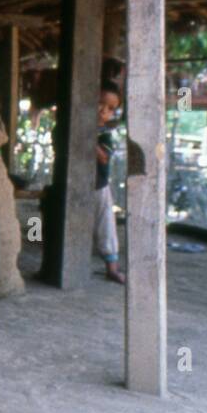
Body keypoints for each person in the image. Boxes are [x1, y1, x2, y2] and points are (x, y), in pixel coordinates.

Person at [94, 81, 125, 285]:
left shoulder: (105, 134)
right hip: (74, 187)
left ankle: (112, 268)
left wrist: (87, 138)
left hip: (98, 186)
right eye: (100, 104)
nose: (104, 111)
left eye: (111, 109)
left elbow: (104, 157)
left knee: (106, 225)